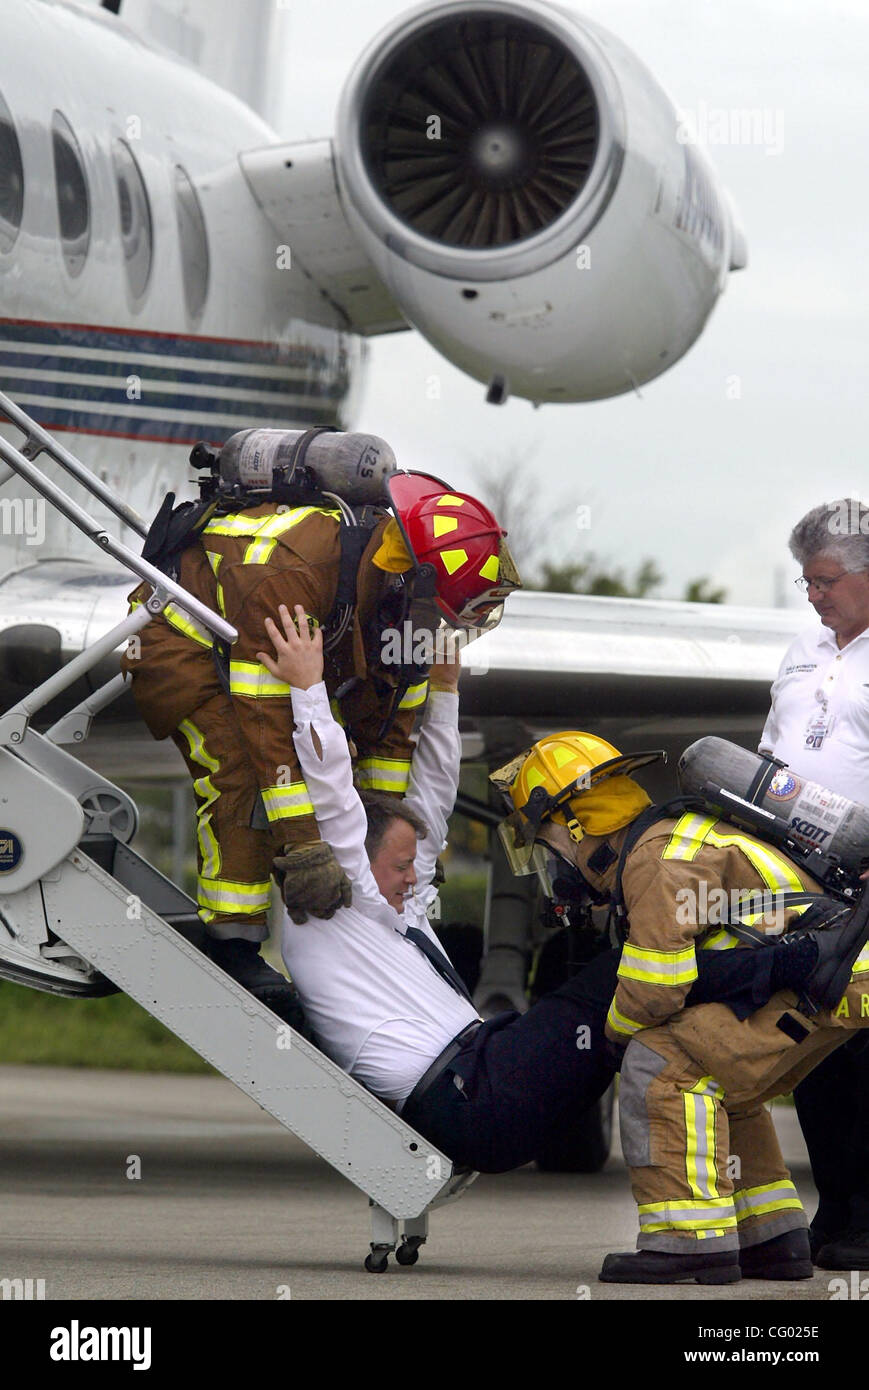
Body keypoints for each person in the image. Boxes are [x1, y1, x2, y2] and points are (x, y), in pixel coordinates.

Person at [261, 605, 850, 1191]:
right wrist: (308, 689)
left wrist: (444, 691)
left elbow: (434, 799)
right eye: (398, 867)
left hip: (487, 1071)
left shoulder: (389, 909)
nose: (414, 879)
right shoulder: (341, 910)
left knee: (645, 996)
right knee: (623, 974)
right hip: (470, 1096)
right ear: (357, 863)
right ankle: (786, 962)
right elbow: (336, 795)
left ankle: (771, 983)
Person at [121, 472, 518, 1022]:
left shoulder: (403, 600)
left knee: (329, 755)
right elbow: (266, 717)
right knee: (239, 773)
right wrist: (307, 850)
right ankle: (233, 944)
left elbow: (393, 729)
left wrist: (382, 841)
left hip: (274, 646)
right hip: (180, 642)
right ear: (420, 580)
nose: (453, 628)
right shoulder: (290, 569)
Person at [494, 725, 869, 1285]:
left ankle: (687, 1243)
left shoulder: (656, 858)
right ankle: (771, 1237)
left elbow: (656, 985)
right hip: (841, 973)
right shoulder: (677, 837)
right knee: (725, 1080)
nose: (555, 868)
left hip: (832, 976)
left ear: (577, 826)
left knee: (661, 1065)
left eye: (548, 845)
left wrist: (614, 1038)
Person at [759, 496, 869, 1270]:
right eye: (805, 581)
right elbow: (770, 754)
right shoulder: (800, 648)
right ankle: (836, 1212)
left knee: (864, 1048)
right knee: (813, 1045)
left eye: (825, 579)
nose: (813, 594)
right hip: (799, 877)